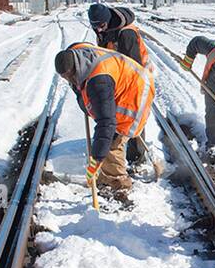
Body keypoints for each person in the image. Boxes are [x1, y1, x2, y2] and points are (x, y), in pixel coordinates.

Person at [54, 41, 156, 206]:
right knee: (107, 134)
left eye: (68, 77)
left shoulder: (98, 82)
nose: (67, 80)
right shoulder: (77, 53)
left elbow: (106, 123)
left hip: (135, 92)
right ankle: (108, 174)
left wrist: (96, 159)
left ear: (74, 68)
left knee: (113, 141)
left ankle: (118, 184)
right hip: (123, 81)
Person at [89, 3, 152, 170]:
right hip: (119, 76)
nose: (99, 30)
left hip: (137, 78)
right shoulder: (102, 31)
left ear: (108, 20)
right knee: (117, 116)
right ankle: (119, 152)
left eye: (101, 26)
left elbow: (133, 65)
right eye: (95, 27)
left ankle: (137, 158)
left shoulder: (126, 34)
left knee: (132, 115)